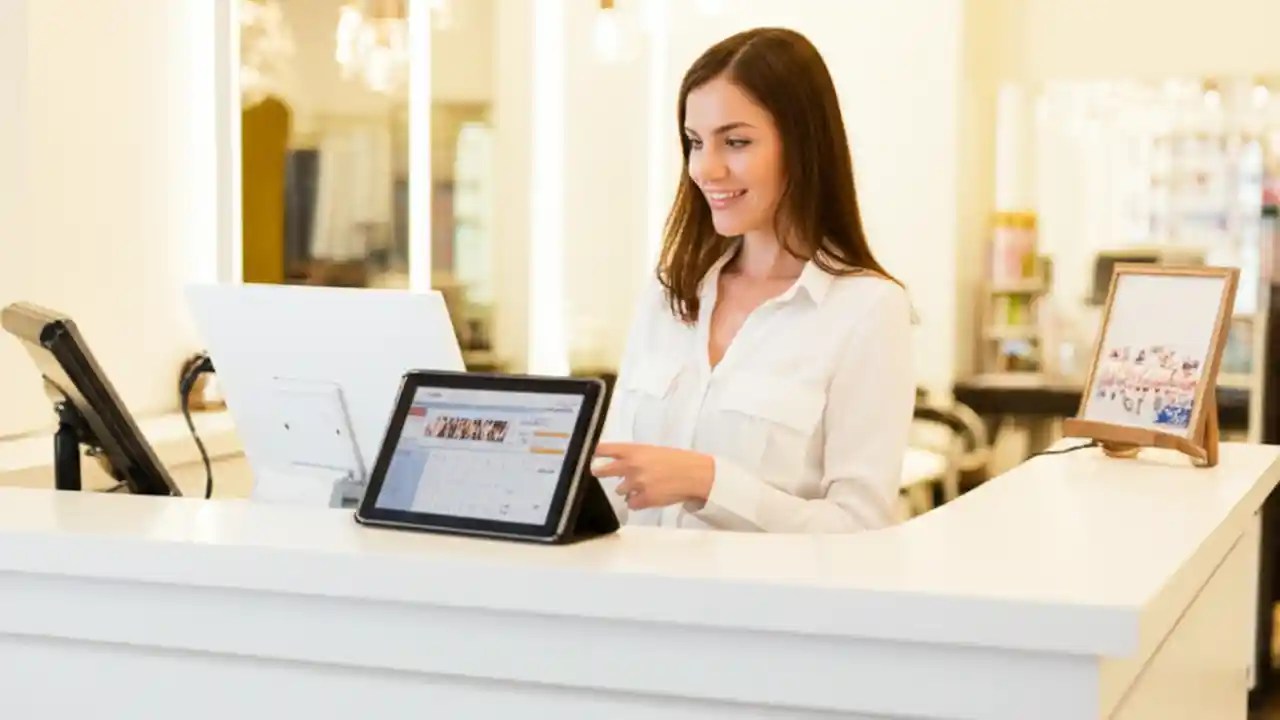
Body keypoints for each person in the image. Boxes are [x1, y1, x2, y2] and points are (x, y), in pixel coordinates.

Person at [591, 27, 915, 533]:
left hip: (760, 611)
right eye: (696, 143)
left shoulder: (867, 310)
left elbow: (861, 528)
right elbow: (609, 486)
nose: (707, 169)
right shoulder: (668, 295)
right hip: (633, 605)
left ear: (803, 146)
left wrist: (710, 482)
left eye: (736, 142)